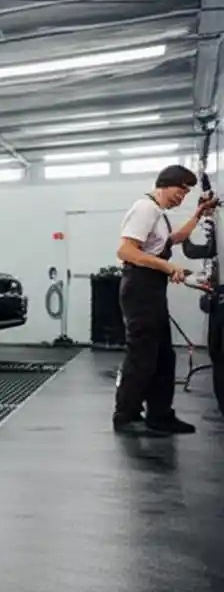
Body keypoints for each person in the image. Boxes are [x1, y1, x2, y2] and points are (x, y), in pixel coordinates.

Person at [113, 164, 217, 435]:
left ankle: (145, 412)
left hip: (149, 286)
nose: (180, 198)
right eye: (179, 191)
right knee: (146, 355)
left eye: (185, 194)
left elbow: (172, 241)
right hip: (140, 287)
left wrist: (198, 214)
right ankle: (132, 415)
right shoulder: (145, 208)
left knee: (158, 355)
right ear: (164, 184)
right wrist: (169, 268)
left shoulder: (158, 212)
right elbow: (126, 250)